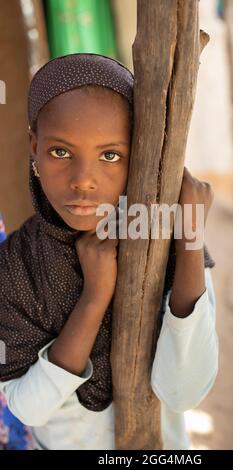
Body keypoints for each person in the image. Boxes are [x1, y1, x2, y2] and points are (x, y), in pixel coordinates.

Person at [0, 53, 218, 450]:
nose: (83, 181)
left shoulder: (168, 241)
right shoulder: (16, 266)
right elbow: (28, 409)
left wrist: (190, 239)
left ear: (136, 155)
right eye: (61, 152)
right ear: (34, 147)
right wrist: (94, 297)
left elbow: (184, 391)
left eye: (110, 155)